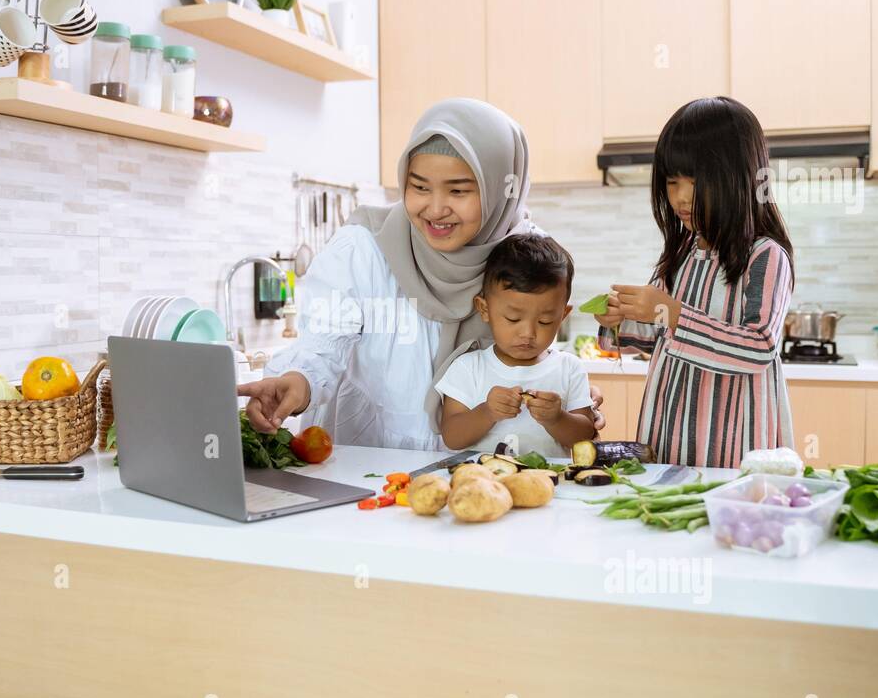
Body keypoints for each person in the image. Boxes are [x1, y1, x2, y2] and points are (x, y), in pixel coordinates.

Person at [238, 98, 604, 449]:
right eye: (419, 187)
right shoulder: (364, 248)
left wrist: (568, 400)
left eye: (459, 190)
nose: (435, 208)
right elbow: (320, 349)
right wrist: (297, 382)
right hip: (370, 467)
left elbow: (532, 349)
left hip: (479, 478)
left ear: (499, 189)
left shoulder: (524, 254)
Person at [591, 96, 795, 468]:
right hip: (668, 434)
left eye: (696, 181)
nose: (680, 197)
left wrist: (672, 313)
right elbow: (662, 341)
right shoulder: (680, 256)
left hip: (736, 444)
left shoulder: (765, 256)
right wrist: (619, 323)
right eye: (672, 182)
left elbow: (759, 347)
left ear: (738, 179)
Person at [437, 234, 596, 457]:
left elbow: (584, 439)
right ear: (484, 309)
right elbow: (451, 437)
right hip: (483, 484)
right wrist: (487, 412)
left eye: (545, 321)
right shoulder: (468, 367)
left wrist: (557, 418)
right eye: (513, 319)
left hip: (549, 485)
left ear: (563, 316)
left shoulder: (570, 369)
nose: (528, 333)